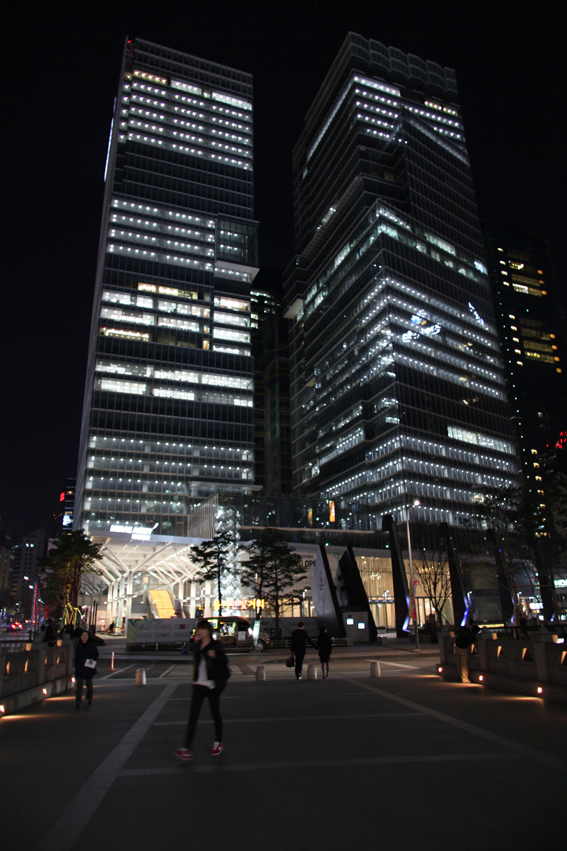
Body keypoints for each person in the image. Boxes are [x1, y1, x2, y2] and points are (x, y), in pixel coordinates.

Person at [175, 619, 230, 762]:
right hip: (199, 685)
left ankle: (218, 742)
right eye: (199, 629)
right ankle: (186, 748)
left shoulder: (216, 645)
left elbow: (225, 661)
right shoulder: (197, 645)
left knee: (215, 714)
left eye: (203, 629)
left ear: (208, 631)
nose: (200, 632)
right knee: (193, 716)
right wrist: (195, 679)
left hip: (212, 685)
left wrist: (215, 656)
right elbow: (198, 664)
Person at [74, 630, 99, 708]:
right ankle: (78, 702)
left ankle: (89, 697)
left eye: (86, 636)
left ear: (88, 637)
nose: (84, 637)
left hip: (88, 667)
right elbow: (76, 658)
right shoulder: (78, 646)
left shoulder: (92, 645)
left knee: (89, 684)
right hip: (80, 667)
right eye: (83, 636)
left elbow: (96, 654)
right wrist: (75, 666)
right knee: (79, 686)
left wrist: (93, 658)